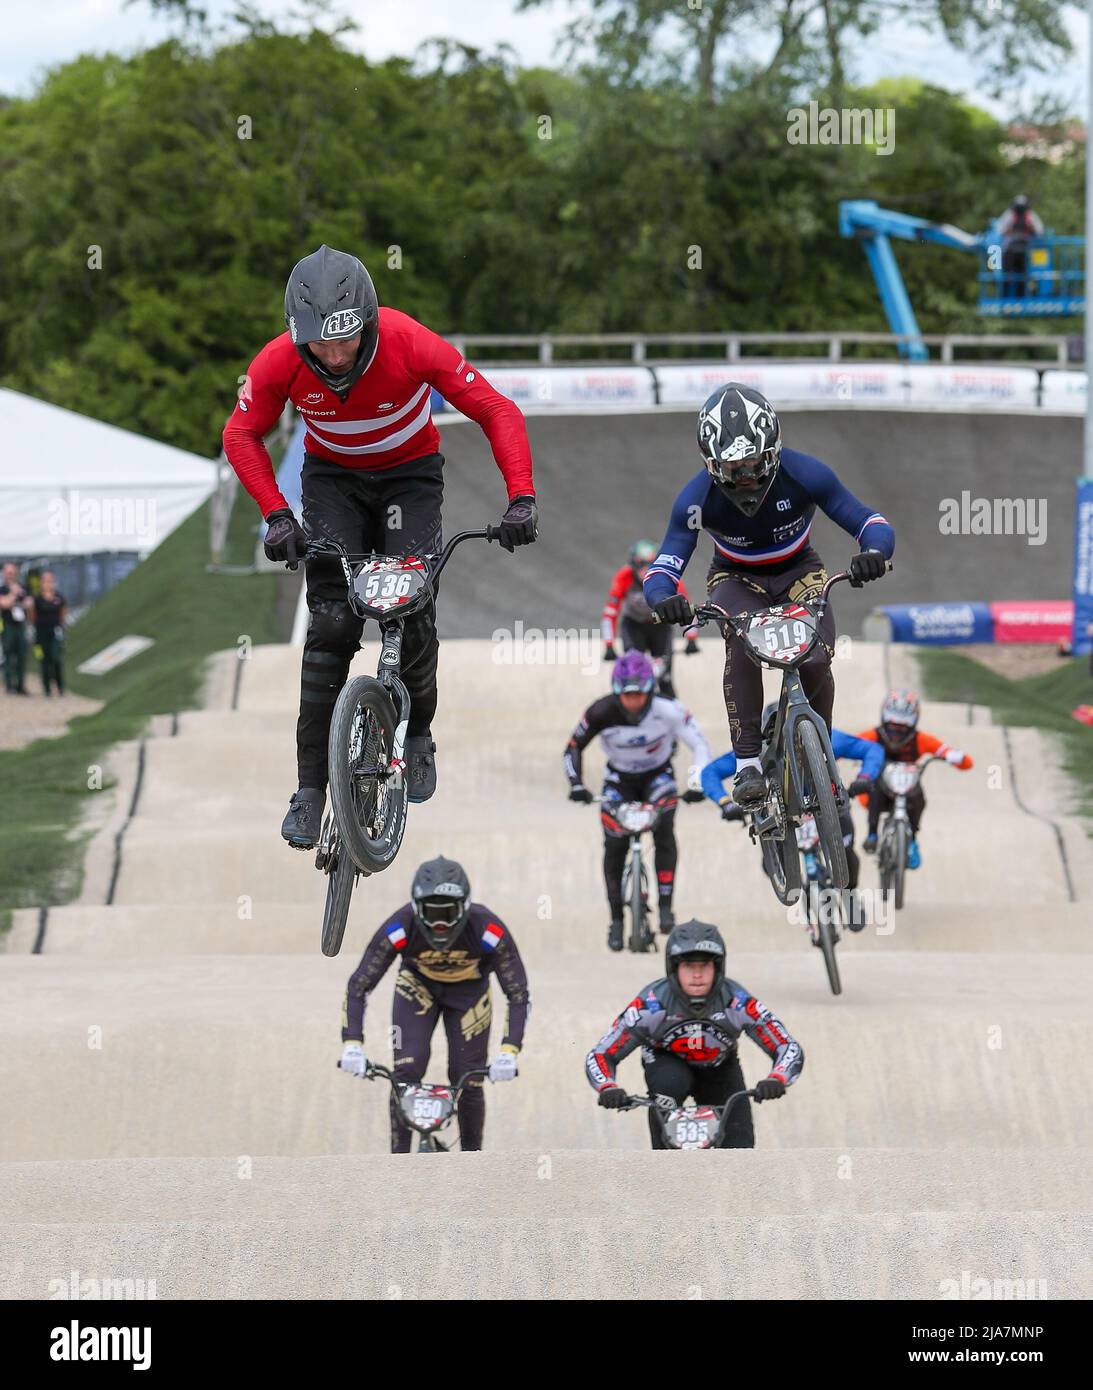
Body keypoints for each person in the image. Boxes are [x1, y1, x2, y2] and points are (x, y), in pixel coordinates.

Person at [222, 245, 539, 850]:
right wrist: (276, 514)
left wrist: (521, 497)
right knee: (333, 627)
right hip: (333, 482)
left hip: (408, 478)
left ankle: (418, 734)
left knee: (411, 613)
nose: (335, 357)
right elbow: (240, 434)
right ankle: (310, 791)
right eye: (321, 346)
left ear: (368, 322)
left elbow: (496, 409)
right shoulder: (277, 362)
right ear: (298, 336)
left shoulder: (409, 341)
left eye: (346, 342)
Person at [643, 383, 894, 812]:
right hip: (736, 579)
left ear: (773, 450)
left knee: (815, 657)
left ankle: (821, 757)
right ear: (711, 464)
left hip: (800, 571)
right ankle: (747, 764)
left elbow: (868, 519)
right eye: (732, 468)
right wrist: (663, 596)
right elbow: (664, 565)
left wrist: (874, 552)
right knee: (742, 647)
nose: (744, 477)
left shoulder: (806, 474)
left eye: (754, 463)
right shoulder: (695, 498)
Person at [338, 856, 529, 1152]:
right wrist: (351, 1043)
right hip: (417, 988)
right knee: (406, 1073)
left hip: (470, 994)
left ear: (465, 907)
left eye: (448, 912)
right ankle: (398, 1163)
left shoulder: (488, 929)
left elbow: (518, 993)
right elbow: (359, 985)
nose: (439, 925)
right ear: (415, 908)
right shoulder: (400, 926)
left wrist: (509, 1050)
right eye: (431, 912)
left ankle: (472, 1160)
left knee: (469, 1077)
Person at [585, 919, 803, 1149]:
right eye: (689, 966)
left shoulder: (737, 1002)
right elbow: (601, 1053)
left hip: (719, 1068)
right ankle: (663, 1166)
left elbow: (787, 1046)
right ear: (674, 968)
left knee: (741, 1149)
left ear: (718, 968)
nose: (697, 975)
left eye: (704, 966)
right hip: (666, 1065)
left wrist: (777, 1078)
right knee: (670, 1084)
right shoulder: (650, 1005)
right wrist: (608, 1087)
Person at [564, 650, 711, 950]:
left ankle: (666, 904)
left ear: (650, 690)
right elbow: (573, 747)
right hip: (619, 781)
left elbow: (699, 744)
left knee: (665, 828)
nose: (632, 702)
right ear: (616, 692)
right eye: (626, 695)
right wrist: (576, 784)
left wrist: (696, 783)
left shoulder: (668, 709)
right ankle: (616, 919)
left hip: (658, 776)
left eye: (639, 695)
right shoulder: (600, 711)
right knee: (614, 844)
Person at [702, 703, 883, 925]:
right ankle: (801, 888)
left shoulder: (823, 738)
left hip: (826, 807)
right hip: (782, 812)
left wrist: (865, 777)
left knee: (845, 852)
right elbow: (710, 772)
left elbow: (872, 750)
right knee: (770, 866)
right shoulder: (758, 749)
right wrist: (724, 803)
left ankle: (850, 894)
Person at [857, 690, 973, 868]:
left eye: (902, 728)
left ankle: (912, 840)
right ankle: (872, 833)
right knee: (874, 789)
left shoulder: (920, 739)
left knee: (919, 797)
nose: (896, 733)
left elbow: (950, 754)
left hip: (908, 788)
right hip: (880, 789)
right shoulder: (873, 735)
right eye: (892, 726)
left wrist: (956, 757)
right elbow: (851, 745)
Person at [601, 540, 698, 697]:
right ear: (633, 565)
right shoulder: (623, 577)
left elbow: (686, 607)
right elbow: (610, 613)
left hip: (660, 627)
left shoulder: (667, 577)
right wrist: (609, 645)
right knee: (633, 676)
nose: (645, 570)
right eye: (641, 565)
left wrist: (691, 638)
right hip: (633, 626)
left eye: (650, 564)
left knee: (665, 678)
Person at [997, 194, 1044, 300]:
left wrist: (1031, 227)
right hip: (1010, 249)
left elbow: (1040, 231)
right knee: (1007, 276)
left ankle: (1021, 299)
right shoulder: (1009, 215)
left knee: (1023, 276)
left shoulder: (1031, 216)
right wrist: (1008, 229)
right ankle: (1004, 299)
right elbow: (999, 230)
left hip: (1025, 249)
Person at [33, 570, 67, 696]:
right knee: (44, 660)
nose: (48, 584)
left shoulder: (59, 597)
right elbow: (32, 615)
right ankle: (47, 688)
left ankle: (60, 687)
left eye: (50, 581)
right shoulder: (37, 598)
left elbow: (63, 614)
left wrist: (61, 629)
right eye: (45, 581)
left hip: (55, 632)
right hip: (41, 633)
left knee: (56, 658)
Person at [0, 561, 31, 696]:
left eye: (12, 572)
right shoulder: (3, 589)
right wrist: (13, 594)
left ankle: (20, 685)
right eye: (8, 572)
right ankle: (10, 686)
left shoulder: (23, 587)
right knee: (8, 655)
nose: (10, 575)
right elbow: (4, 604)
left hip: (21, 626)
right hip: (7, 626)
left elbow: (29, 603)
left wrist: (16, 602)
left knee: (21, 656)